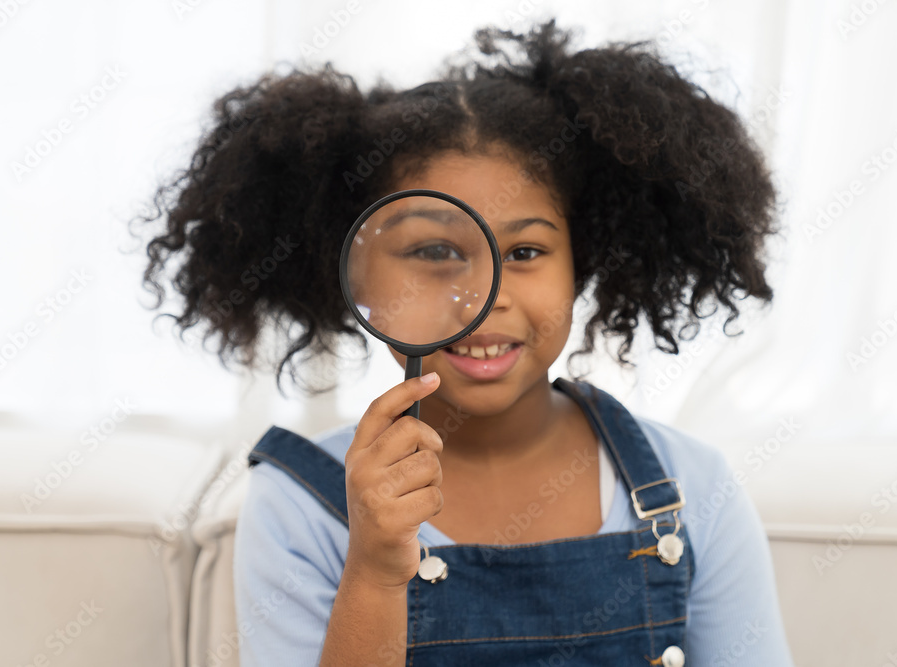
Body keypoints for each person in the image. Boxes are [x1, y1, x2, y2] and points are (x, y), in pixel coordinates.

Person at [136, 19, 795, 667]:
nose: (487, 291)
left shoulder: (691, 486)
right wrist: (373, 570)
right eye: (433, 250)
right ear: (355, 271)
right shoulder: (300, 505)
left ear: (585, 263)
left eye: (527, 250)